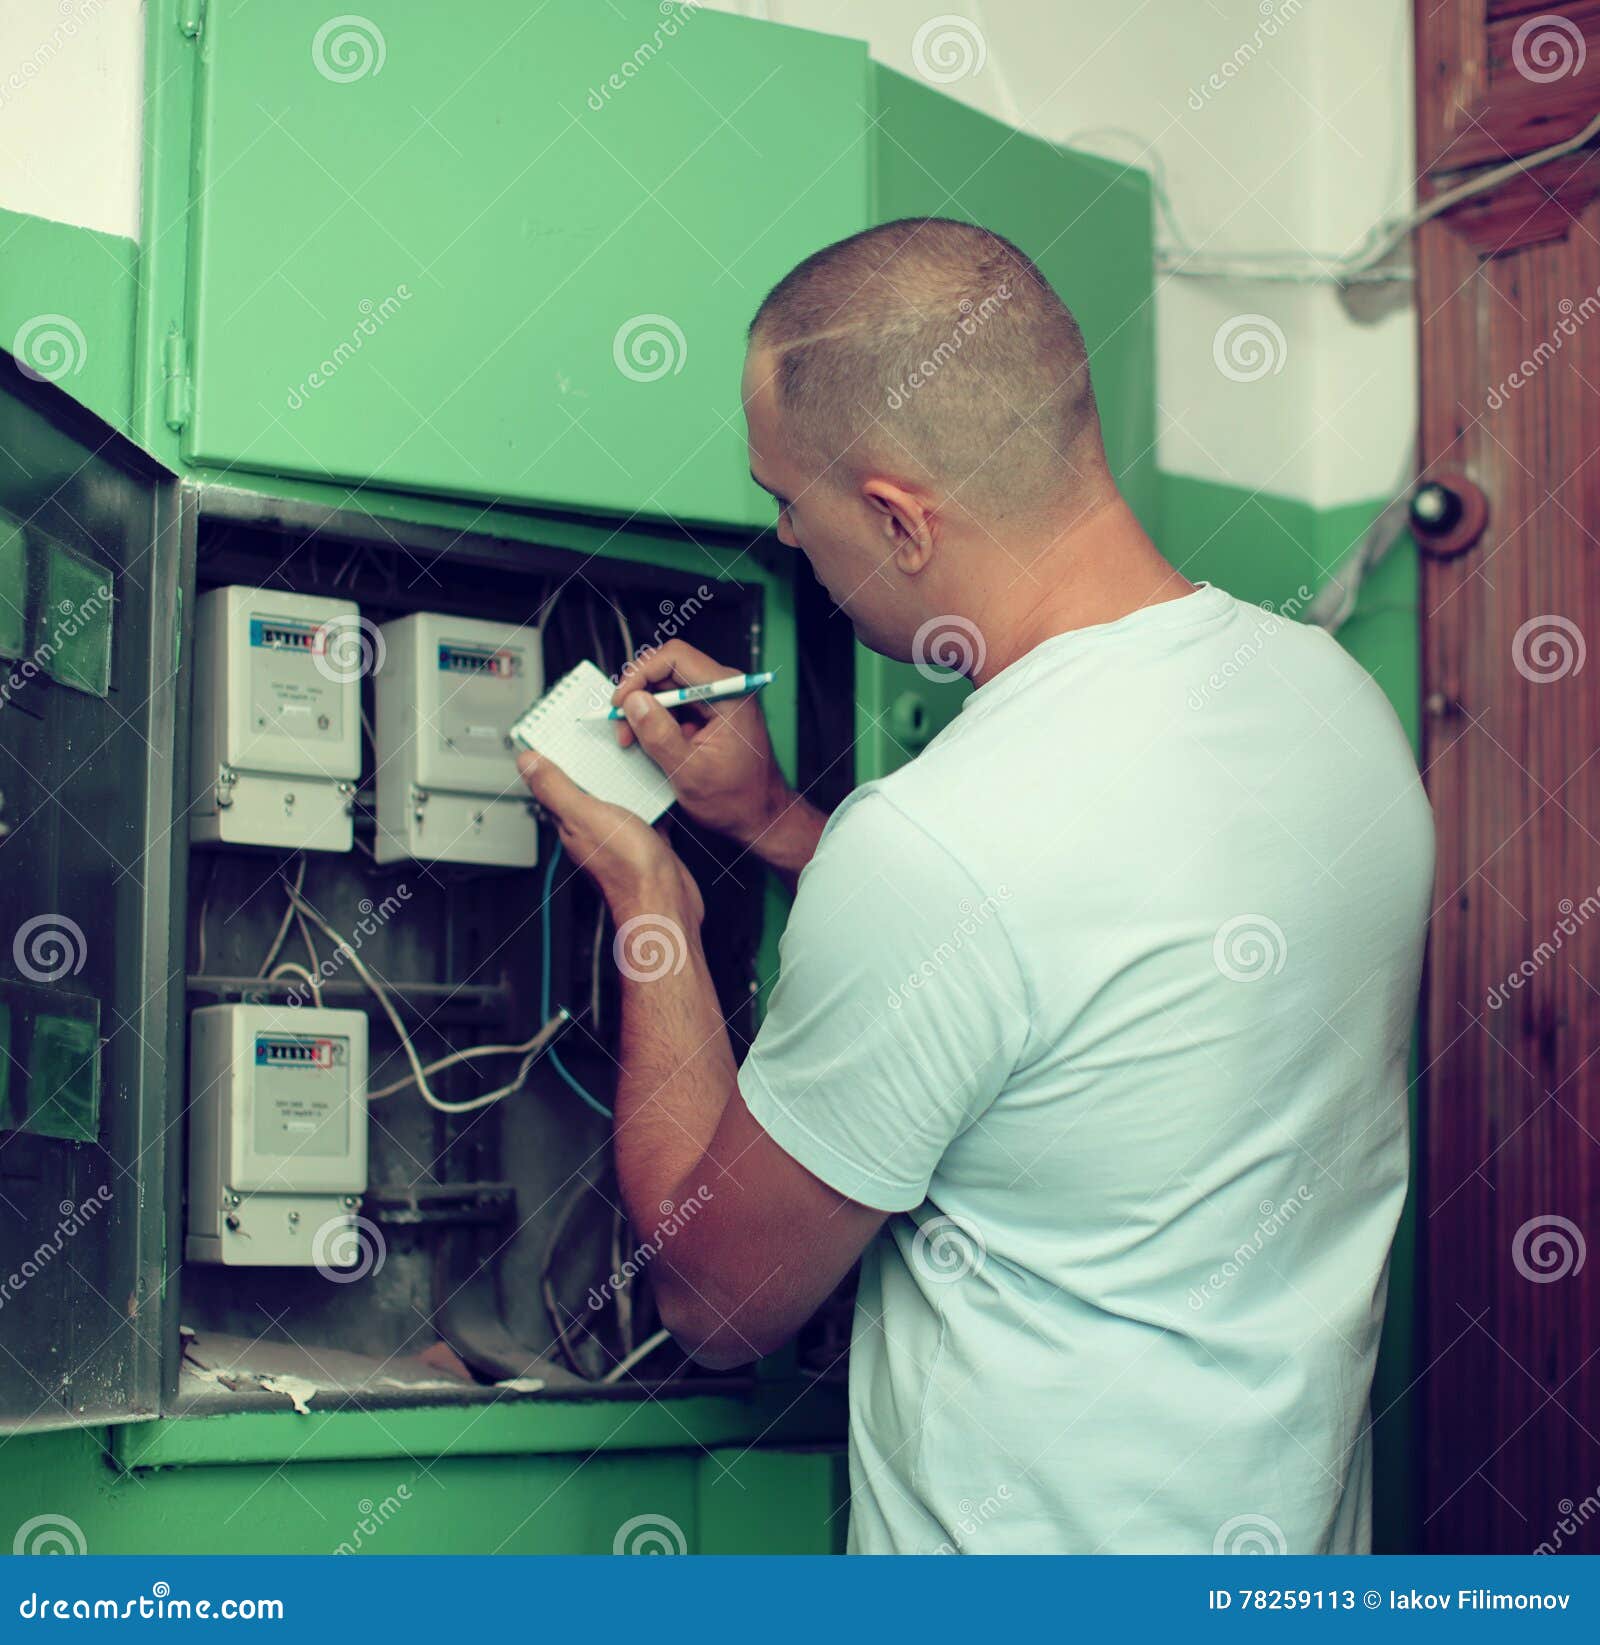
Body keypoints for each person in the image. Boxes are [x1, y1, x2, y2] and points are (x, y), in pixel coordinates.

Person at [518, 217, 1434, 1554]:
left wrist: (652, 899)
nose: (785, 536)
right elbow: (1074, 974)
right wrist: (776, 822)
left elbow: (717, 1297)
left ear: (895, 515)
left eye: (790, 499)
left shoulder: (943, 846)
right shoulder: (1335, 706)